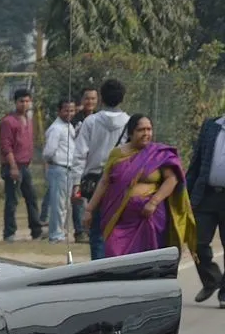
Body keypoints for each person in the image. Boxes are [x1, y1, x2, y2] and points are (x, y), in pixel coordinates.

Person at [86, 114, 197, 259]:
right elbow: (104, 182)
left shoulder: (158, 154)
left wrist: (153, 202)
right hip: (120, 218)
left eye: (149, 129)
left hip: (149, 216)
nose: (146, 134)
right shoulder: (117, 154)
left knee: (149, 259)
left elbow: (172, 179)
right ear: (131, 133)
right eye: (141, 130)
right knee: (114, 252)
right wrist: (89, 209)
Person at [78, 79, 130, 258]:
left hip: (94, 181)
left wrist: (76, 182)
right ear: (122, 98)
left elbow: (79, 155)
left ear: (101, 98)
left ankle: (99, 269)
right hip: (121, 181)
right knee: (118, 227)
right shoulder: (130, 123)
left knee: (97, 228)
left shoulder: (91, 122)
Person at [191, 105, 224, 302]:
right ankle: (212, 279)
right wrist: (187, 192)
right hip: (207, 195)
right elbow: (196, 161)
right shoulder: (211, 126)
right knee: (197, 242)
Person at [0, 89, 41, 241]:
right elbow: (6, 146)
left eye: (27, 101)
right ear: (15, 102)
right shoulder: (8, 121)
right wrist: (13, 166)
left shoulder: (28, 119)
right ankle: (9, 232)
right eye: (21, 101)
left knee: (31, 197)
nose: (24, 104)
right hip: (13, 165)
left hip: (25, 165)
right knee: (12, 200)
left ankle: (36, 230)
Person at [41, 97, 81, 243]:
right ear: (59, 111)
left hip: (68, 169)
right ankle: (55, 235)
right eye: (66, 110)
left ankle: (60, 232)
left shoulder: (69, 126)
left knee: (64, 204)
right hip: (59, 168)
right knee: (58, 203)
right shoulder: (56, 128)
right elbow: (48, 151)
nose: (69, 113)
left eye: (72, 110)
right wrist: (53, 162)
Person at [71, 86, 100, 241]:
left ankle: (90, 229)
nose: (90, 101)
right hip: (79, 164)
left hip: (93, 166)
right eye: (87, 98)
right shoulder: (76, 120)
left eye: (93, 99)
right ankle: (79, 231)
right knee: (78, 199)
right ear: (82, 100)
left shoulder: (99, 119)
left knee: (93, 199)